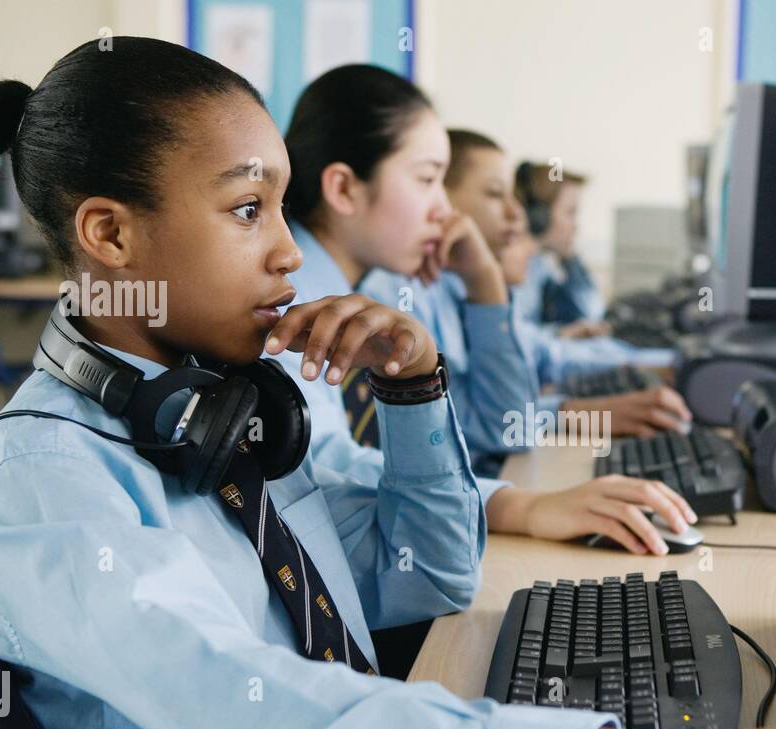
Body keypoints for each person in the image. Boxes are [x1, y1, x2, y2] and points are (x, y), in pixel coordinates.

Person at [0, 37, 776, 729]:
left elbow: (430, 569)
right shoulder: (41, 481)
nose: (288, 250)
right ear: (111, 236)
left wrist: (416, 389)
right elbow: (240, 711)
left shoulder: (229, 414)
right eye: (247, 209)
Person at [280, 64, 694, 554]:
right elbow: (324, 468)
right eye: (428, 179)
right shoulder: (293, 306)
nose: (444, 209)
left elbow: (503, 425)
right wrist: (519, 506)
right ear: (345, 189)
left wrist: (486, 282)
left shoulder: (381, 289)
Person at [447, 129, 691, 434]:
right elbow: (503, 426)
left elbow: (541, 357)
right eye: (496, 194)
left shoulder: (461, 287)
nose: (516, 215)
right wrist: (581, 415)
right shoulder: (440, 292)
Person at [514, 160, 611, 337]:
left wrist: (571, 259)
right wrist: (558, 334)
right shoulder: (514, 269)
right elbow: (512, 338)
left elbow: (591, 313)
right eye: (570, 213)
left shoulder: (541, 267)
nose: (576, 226)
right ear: (539, 217)